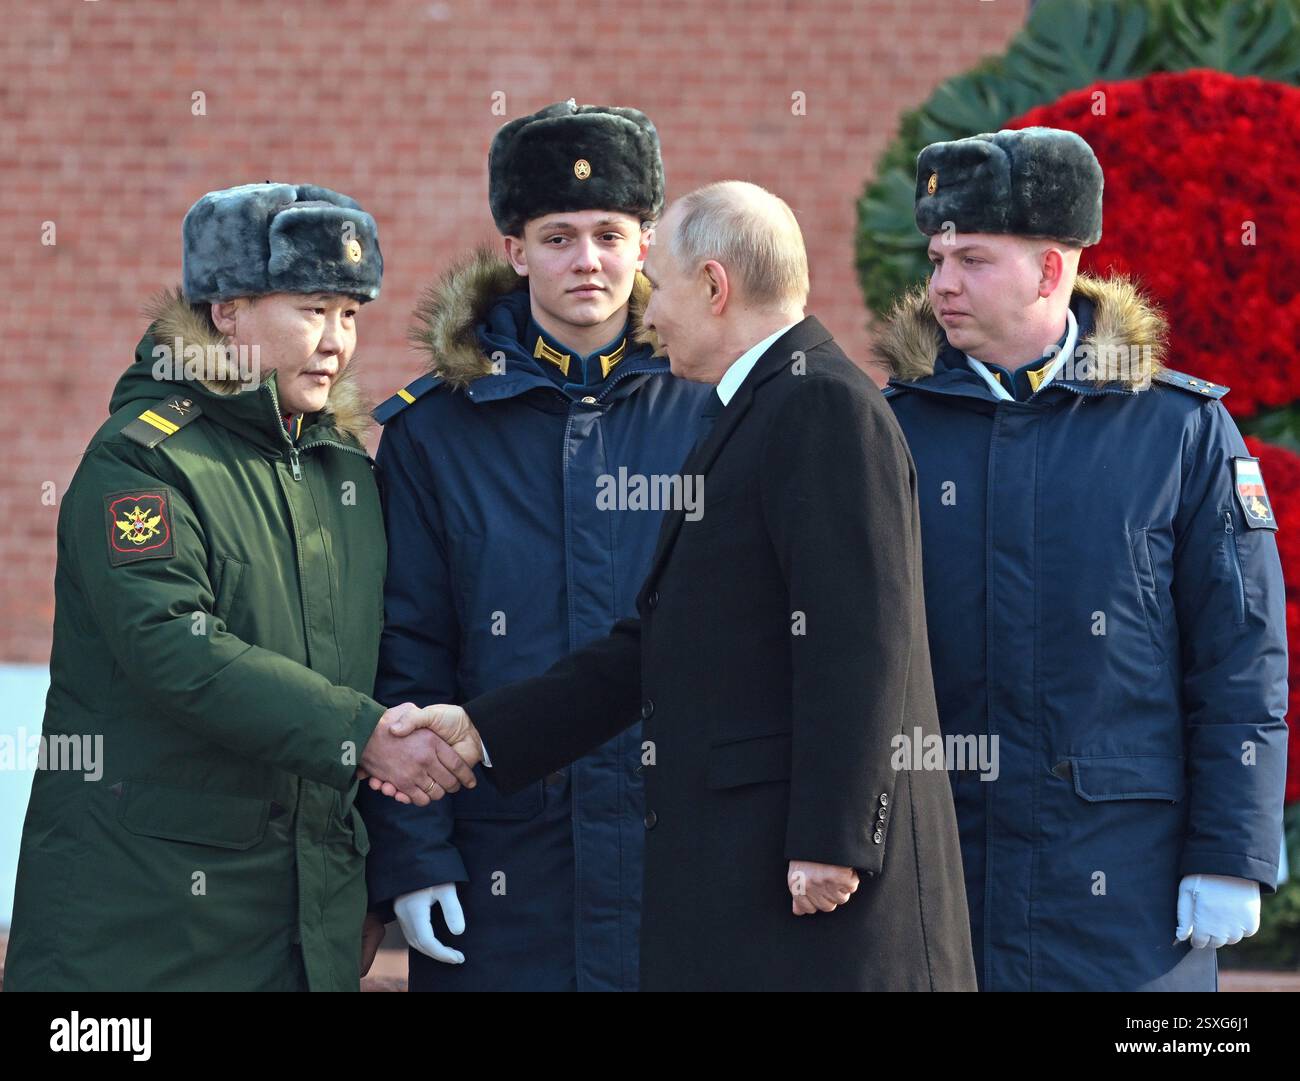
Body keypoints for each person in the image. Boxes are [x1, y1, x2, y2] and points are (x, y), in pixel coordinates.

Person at [372, 180, 978, 992]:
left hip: (824, 906)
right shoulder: (748, 410)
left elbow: (863, 637)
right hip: (759, 893)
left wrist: (834, 838)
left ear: (715, 287)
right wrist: (482, 732)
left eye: (662, 286)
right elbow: (658, 642)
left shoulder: (822, 407)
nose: (648, 313)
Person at [5, 182, 473, 992]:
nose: (336, 342)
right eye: (313, 309)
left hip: (302, 926)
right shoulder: (144, 460)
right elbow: (175, 648)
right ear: (227, 311)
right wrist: (364, 733)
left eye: (351, 314)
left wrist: (366, 879)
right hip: (150, 929)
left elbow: (372, 664)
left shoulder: (344, 472)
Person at [876, 127, 1289, 990]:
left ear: (1052, 269)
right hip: (942, 884)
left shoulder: (1177, 432)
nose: (942, 281)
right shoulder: (889, 430)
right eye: (938, 254)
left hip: (1126, 905)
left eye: (973, 259)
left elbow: (1240, 657)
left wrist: (1232, 852)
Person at [357, 100, 712, 991]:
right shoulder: (434, 434)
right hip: (506, 869)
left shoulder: (718, 412)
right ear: (515, 251)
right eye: (557, 237)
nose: (585, 260)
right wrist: (415, 855)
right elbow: (406, 654)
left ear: (645, 244)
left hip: (688, 860)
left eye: (607, 233)